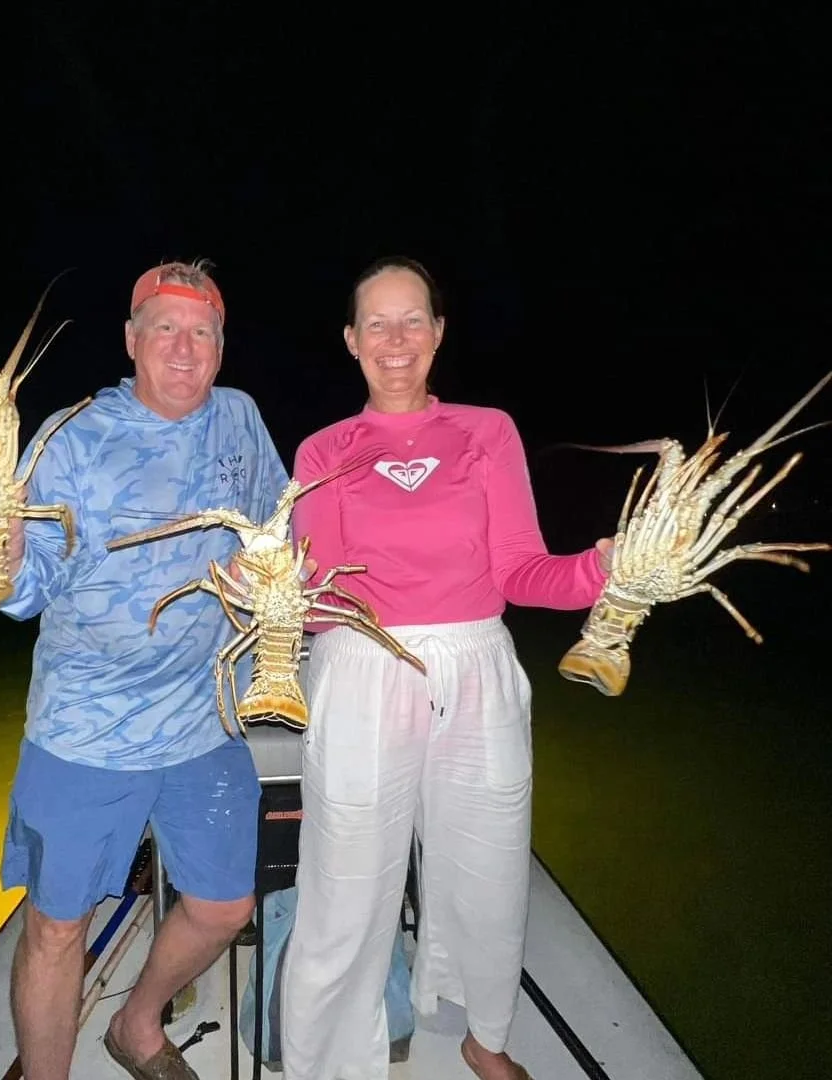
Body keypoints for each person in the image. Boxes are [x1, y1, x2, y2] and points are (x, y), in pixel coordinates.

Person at [0, 260, 289, 1080]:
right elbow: (30, 579)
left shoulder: (241, 421)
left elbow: (281, 523)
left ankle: (137, 1026)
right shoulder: (69, 436)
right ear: (131, 340)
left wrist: (280, 574)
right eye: (165, 328)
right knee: (56, 927)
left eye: (203, 333)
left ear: (222, 349)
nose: (184, 349)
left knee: (225, 907)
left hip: (204, 718)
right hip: (85, 728)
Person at [278, 256, 613, 1080]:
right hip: (360, 669)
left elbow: (520, 571)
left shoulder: (486, 430)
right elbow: (315, 598)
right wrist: (276, 595)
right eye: (378, 324)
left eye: (413, 320)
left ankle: (483, 1034)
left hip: (478, 664)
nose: (397, 340)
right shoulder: (324, 448)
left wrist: (603, 569)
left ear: (438, 332)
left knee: (490, 863)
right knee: (347, 883)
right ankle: (326, 1060)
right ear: (352, 341)